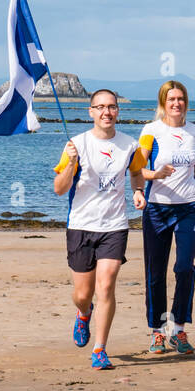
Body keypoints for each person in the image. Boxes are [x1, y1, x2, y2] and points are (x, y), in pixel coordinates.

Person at [52, 89, 147, 370]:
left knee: (106, 285)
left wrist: (138, 191)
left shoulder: (129, 145)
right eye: (101, 107)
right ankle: (84, 314)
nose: (107, 112)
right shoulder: (77, 144)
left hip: (115, 226)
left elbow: (136, 171)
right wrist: (71, 162)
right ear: (91, 111)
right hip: (81, 225)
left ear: (118, 111)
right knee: (83, 294)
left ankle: (100, 348)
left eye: (112, 107)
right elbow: (59, 189)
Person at [137, 81, 195, 356]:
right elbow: (139, 168)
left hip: (188, 208)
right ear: (163, 103)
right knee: (156, 273)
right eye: (171, 99)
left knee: (184, 267)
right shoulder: (151, 131)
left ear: (186, 102)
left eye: (180, 99)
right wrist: (154, 175)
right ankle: (157, 331)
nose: (176, 103)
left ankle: (178, 328)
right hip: (157, 209)